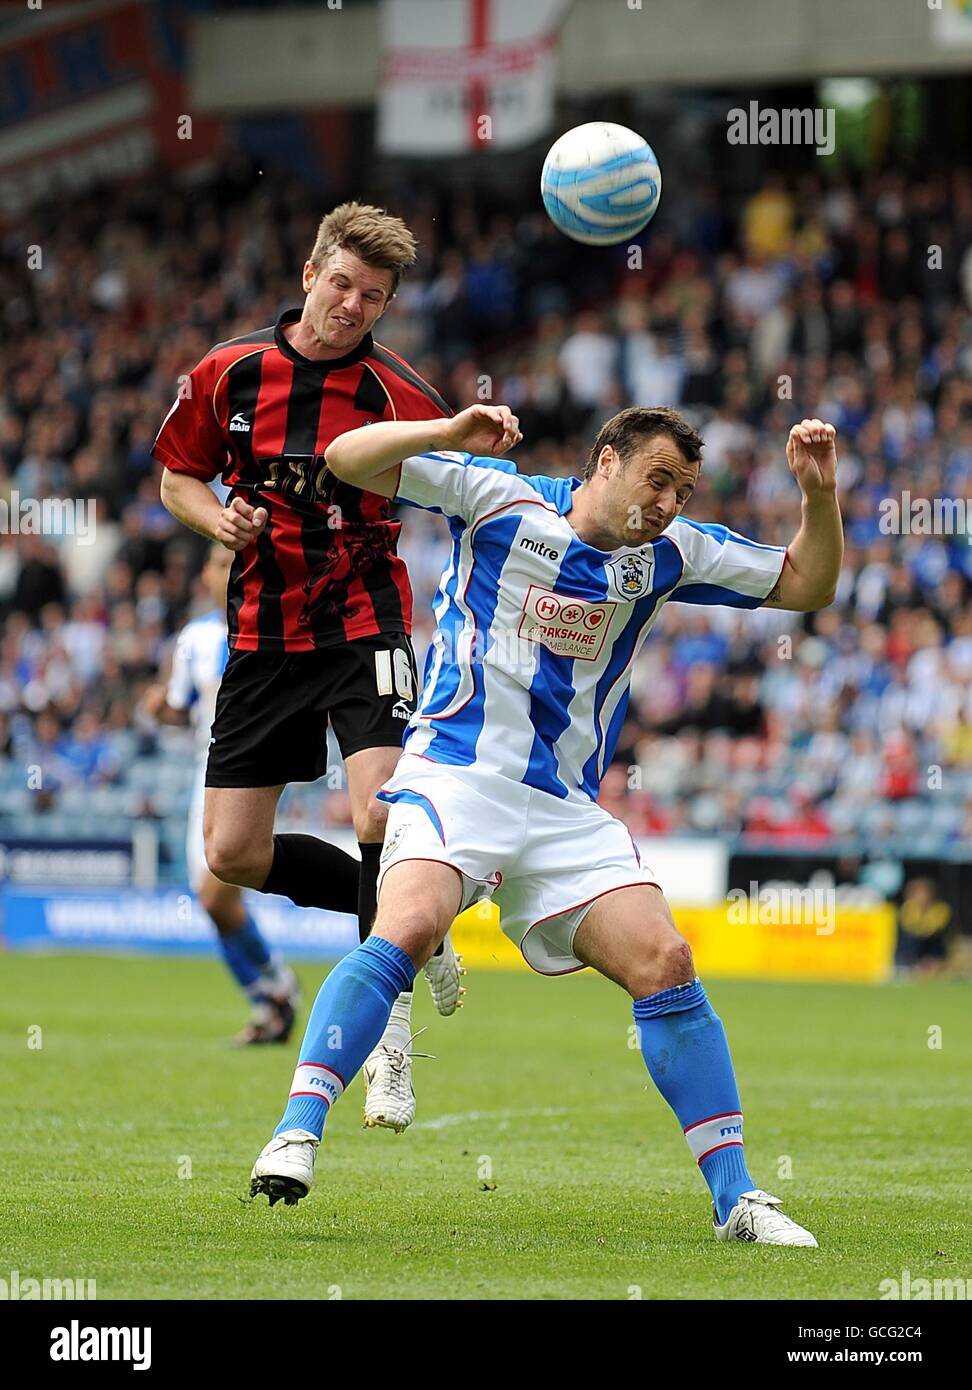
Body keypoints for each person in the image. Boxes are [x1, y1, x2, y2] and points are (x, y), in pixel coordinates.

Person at [250, 401, 844, 1246]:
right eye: (658, 478)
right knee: (408, 923)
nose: (671, 501)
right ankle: (297, 1130)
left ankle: (737, 1201)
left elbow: (809, 584)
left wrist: (818, 496)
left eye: (683, 487)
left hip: (564, 809)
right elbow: (345, 457)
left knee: (666, 959)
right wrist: (445, 434)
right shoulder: (499, 498)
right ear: (607, 460)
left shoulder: (671, 555)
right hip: (459, 775)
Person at [154, 202, 462, 1129]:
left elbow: (467, 495)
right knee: (232, 858)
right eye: (341, 285)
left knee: (379, 811)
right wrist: (222, 520)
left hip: (365, 622)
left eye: (373, 297)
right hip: (261, 634)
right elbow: (176, 478)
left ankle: (390, 1047)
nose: (352, 306)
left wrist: (472, 439)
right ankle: (423, 918)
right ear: (308, 275)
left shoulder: (401, 390)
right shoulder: (228, 371)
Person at [143, 543, 300, 1044]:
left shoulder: (273, 629)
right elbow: (177, 707)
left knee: (215, 891)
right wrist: (156, 707)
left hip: (258, 771)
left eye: (233, 561)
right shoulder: (195, 639)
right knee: (212, 899)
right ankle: (272, 995)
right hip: (207, 771)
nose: (224, 571)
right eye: (215, 562)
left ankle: (277, 991)